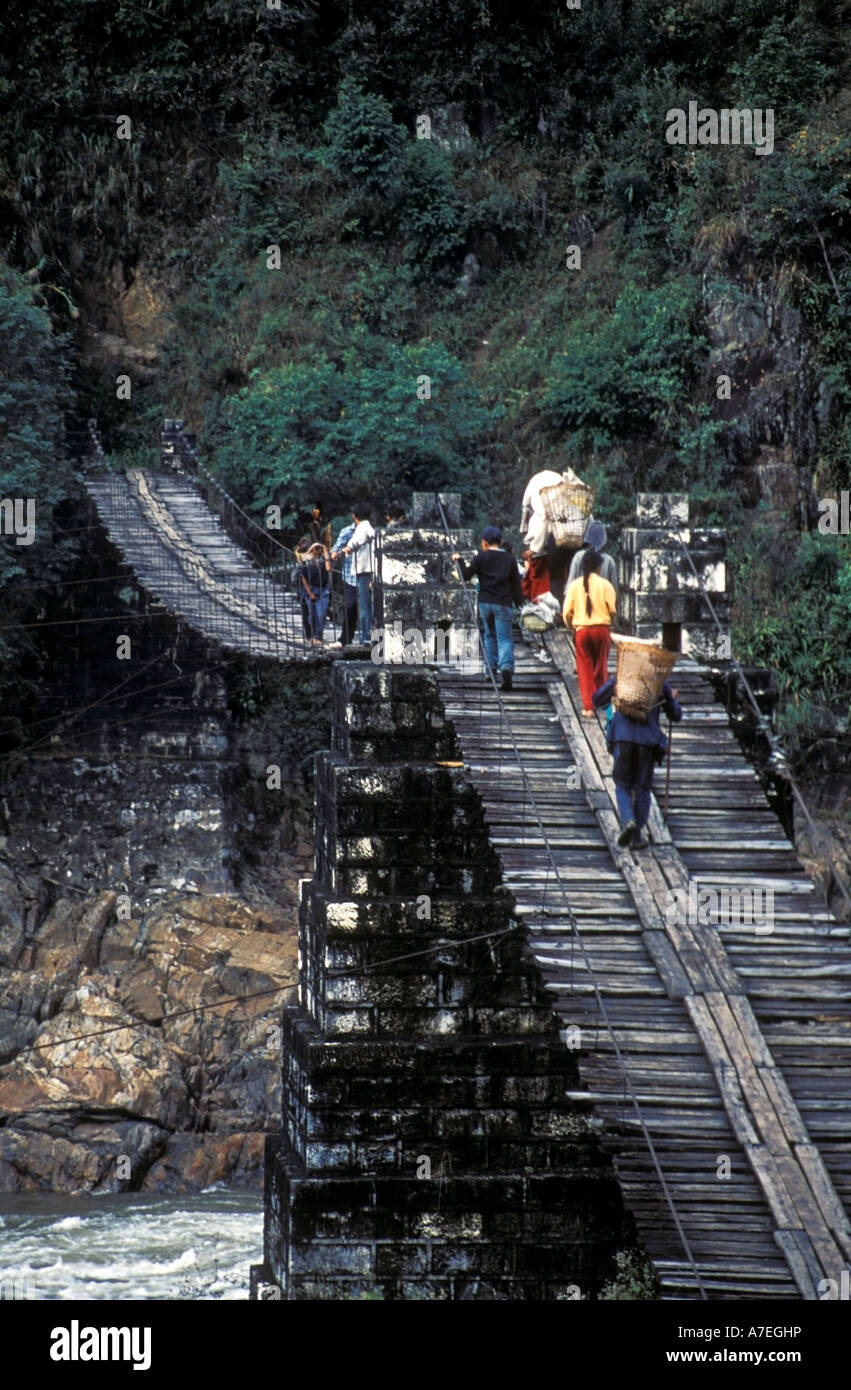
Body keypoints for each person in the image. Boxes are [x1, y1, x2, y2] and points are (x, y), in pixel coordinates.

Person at [593, 673, 683, 849]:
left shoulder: (623, 675)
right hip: (647, 741)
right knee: (642, 788)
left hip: (622, 737)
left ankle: (628, 820)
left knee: (622, 784)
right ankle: (636, 836)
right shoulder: (659, 680)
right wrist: (671, 698)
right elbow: (676, 715)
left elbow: (597, 699)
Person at [452, 525, 523, 691]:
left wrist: (459, 560)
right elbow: (516, 584)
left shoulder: (481, 558)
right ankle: (505, 667)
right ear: (500, 542)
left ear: (484, 543)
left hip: (484, 603)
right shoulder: (509, 559)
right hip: (503, 603)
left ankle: (490, 669)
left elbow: (465, 575)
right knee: (504, 638)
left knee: (489, 635)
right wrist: (520, 603)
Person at [563, 550, 617, 716]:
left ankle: (589, 707)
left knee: (584, 668)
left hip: (582, 630)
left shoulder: (574, 586)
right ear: (599, 568)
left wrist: (572, 625)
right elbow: (612, 610)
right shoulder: (606, 585)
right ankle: (604, 701)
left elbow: (567, 612)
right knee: (601, 666)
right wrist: (609, 623)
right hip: (602, 629)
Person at [344, 501, 375, 644]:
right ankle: (367, 636)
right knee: (368, 605)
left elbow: (357, 540)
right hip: (368, 570)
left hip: (365, 571)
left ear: (354, 516)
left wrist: (348, 548)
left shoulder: (362, 527)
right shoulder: (369, 527)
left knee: (365, 608)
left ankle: (366, 638)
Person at [567, 519, 617, 590]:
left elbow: (569, 588)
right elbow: (615, 593)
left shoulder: (578, 557)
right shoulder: (609, 561)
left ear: (587, 539)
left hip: (579, 600)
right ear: (604, 541)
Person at [331, 517, 358, 646]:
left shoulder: (371, 532)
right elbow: (335, 551)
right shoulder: (347, 531)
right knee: (350, 607)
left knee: (367, 610)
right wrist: (338, 553)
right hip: (350, 576)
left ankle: (368, 639)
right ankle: (346, 638)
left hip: (367, 577)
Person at [298, 540, 331, 645]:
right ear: (311, 549)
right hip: (310, 589)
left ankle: (318, 637)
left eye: (319, 548)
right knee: (310, 615)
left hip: (323, 589)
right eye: (315, 548)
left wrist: (326, 553)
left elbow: (329, 568)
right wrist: (309, 592)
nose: (317, 550)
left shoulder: (324, 559)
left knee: (321, 614)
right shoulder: (306, 561)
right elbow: (303, 577)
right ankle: (310, 636)